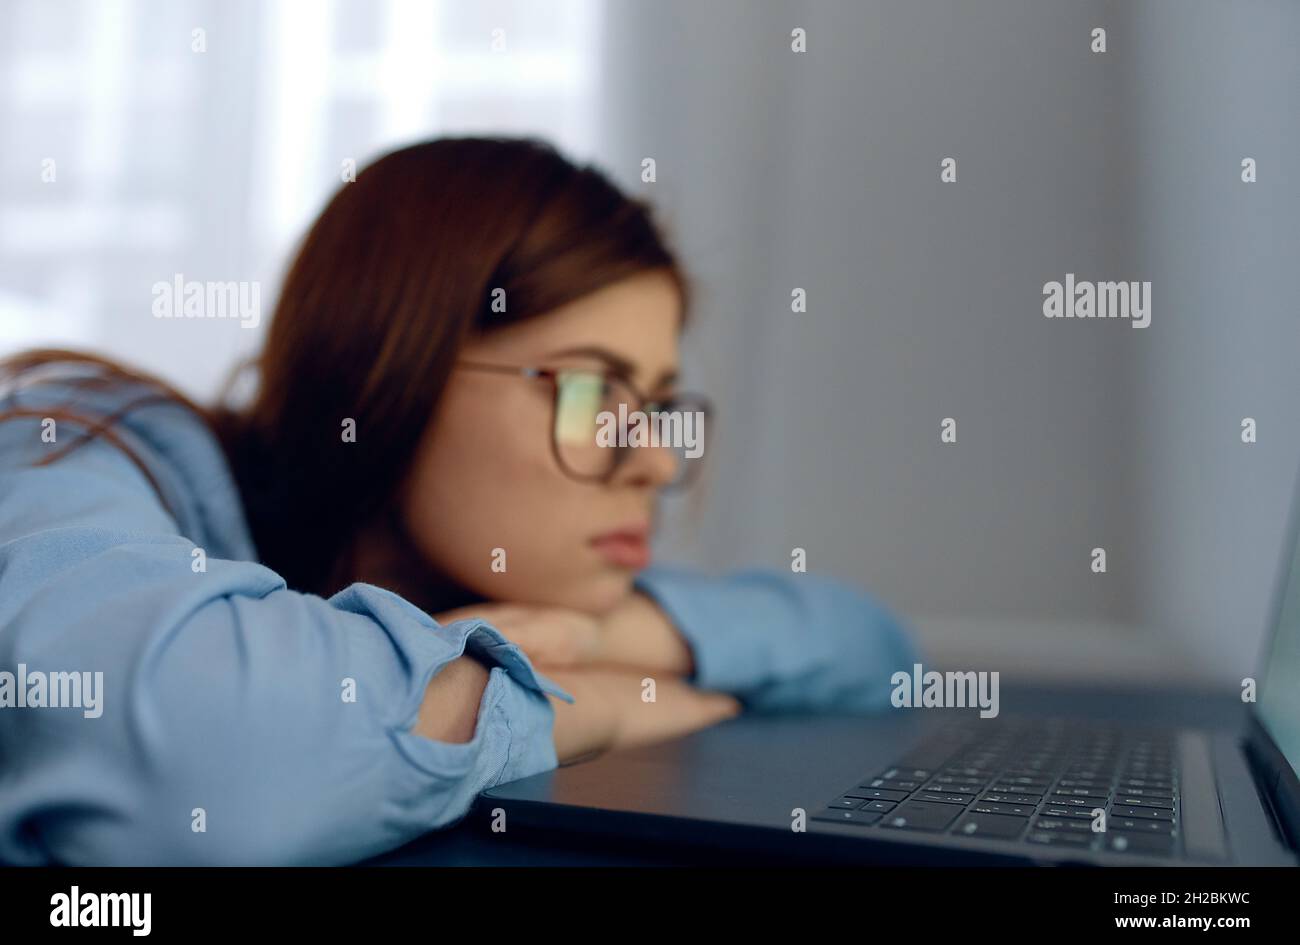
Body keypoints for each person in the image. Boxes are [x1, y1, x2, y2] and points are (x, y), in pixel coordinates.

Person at [0, 137, 915, 865]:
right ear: (395, 371)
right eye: (594, 396)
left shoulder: (486, 575)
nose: (656, 467)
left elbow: (862, 642)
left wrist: (600, 640)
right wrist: (571, 706)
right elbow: (214, 762)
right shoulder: (80, 439)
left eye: (661, 409)